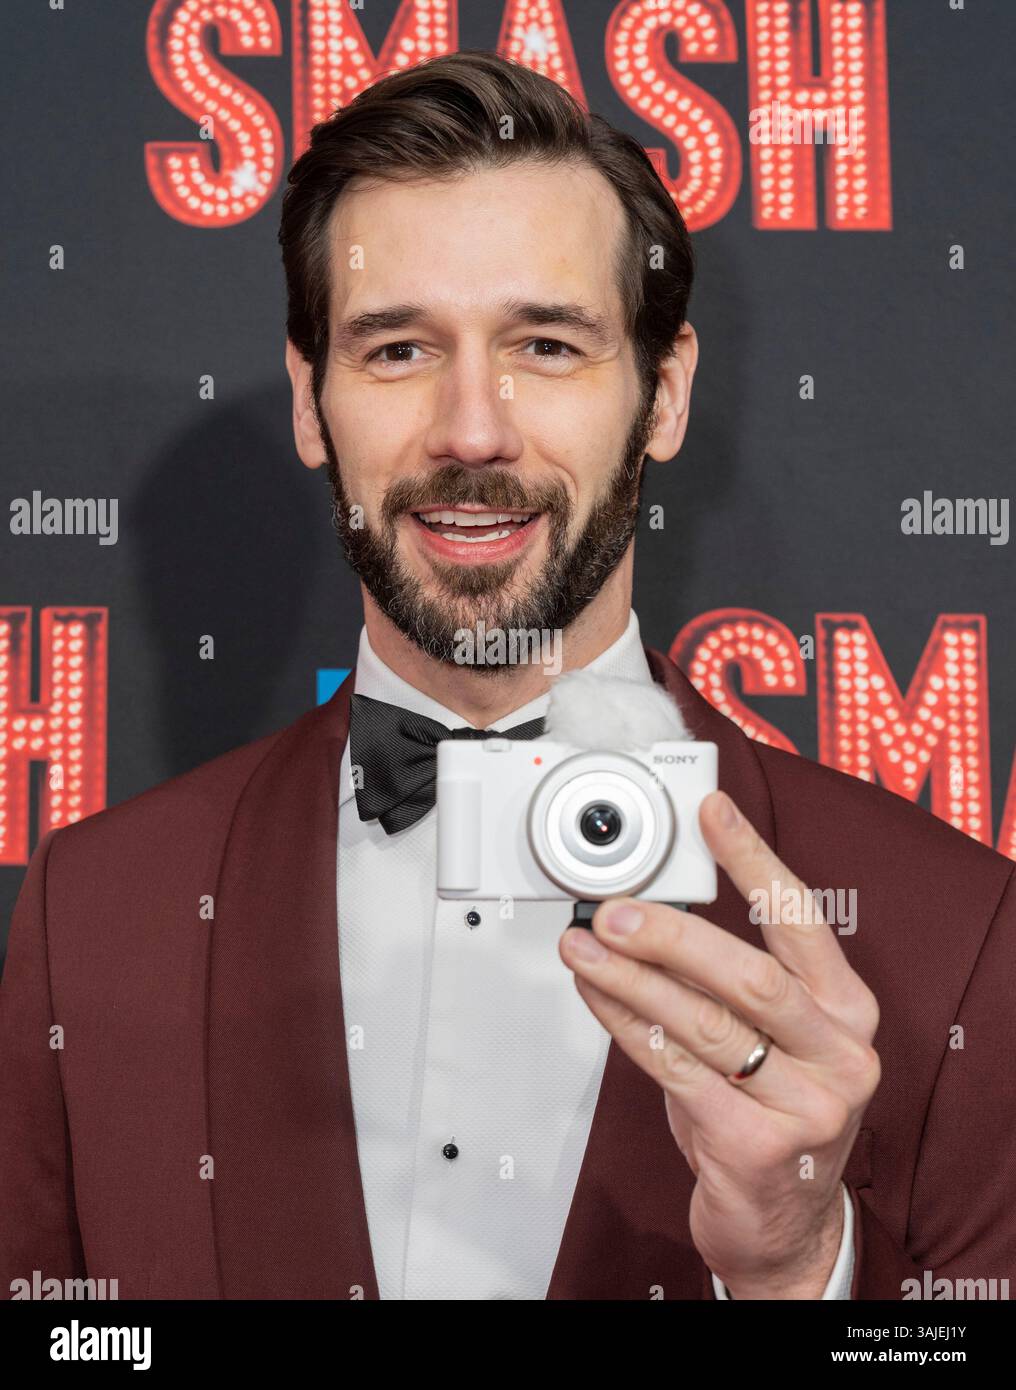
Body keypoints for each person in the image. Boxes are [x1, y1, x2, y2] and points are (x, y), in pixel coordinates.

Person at [2, 51, 1014, 1302]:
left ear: (664, 394)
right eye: (395, 350)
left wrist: (803, 1266)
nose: (471, 429)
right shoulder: (94, 913)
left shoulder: (950, 935)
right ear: (311, 403)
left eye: (544, 343)